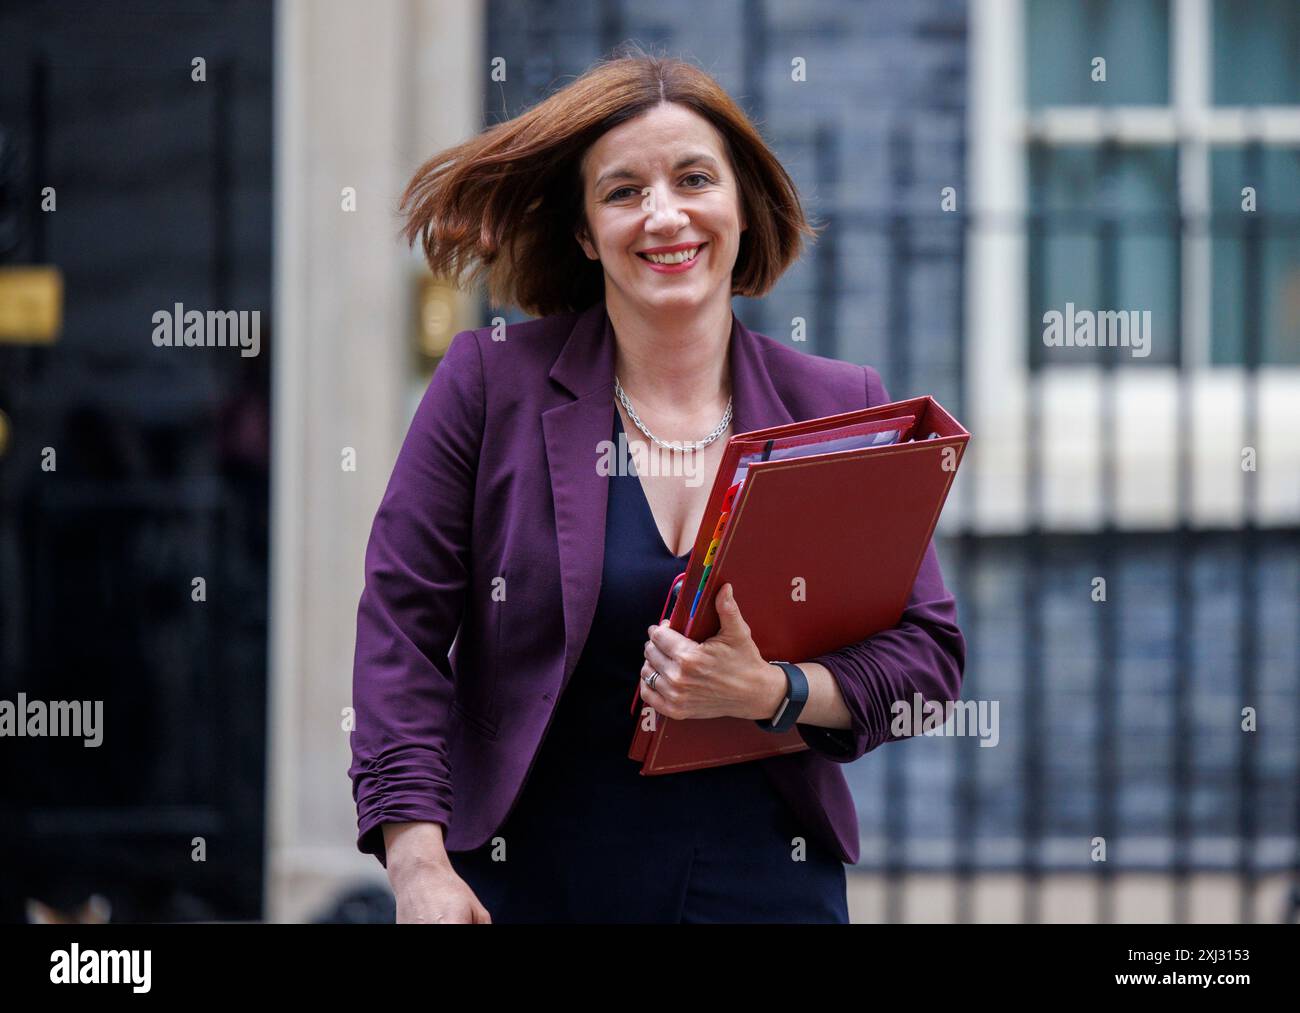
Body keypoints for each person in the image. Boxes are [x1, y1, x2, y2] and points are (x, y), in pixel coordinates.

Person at [347, 45, 965, 924]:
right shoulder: (489, 384)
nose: (664, 215)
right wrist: (417, 861)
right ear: (583, 232)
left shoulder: (839, 404)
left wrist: (775, 691)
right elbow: (400, 629)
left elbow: (927, 658)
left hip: (766, 886)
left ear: (743, 207)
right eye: (624, 191)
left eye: (693, 179)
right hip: (530, 882)